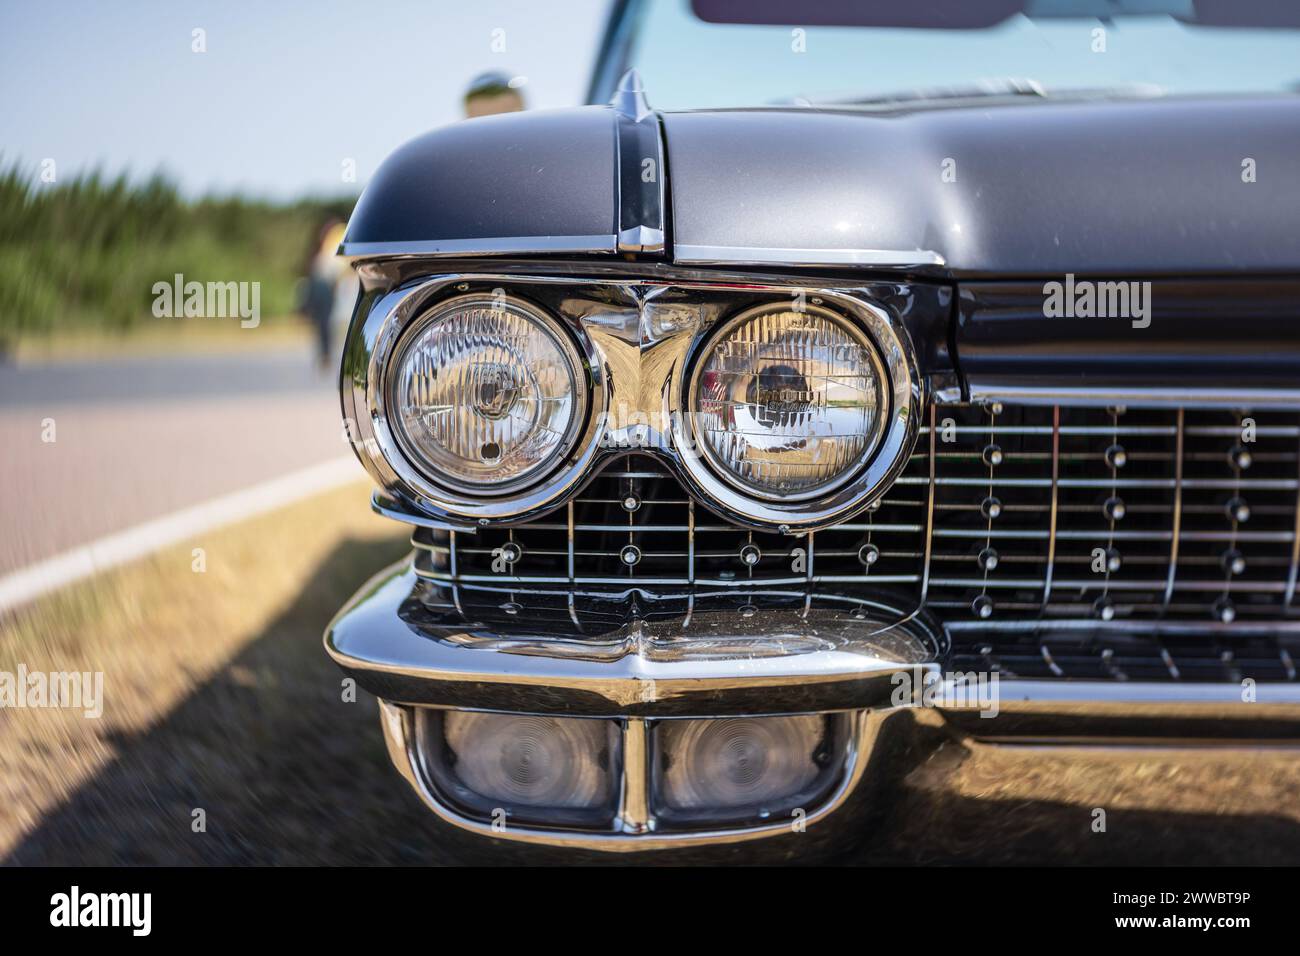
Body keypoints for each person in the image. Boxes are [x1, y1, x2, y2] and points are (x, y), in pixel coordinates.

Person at [301, 218, 347, 371]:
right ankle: (324, 354)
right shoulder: (324, 251)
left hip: (325, 287)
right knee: (322, 324)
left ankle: (325, 355)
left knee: (324, 324)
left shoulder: (330, 248)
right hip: (322, 287)